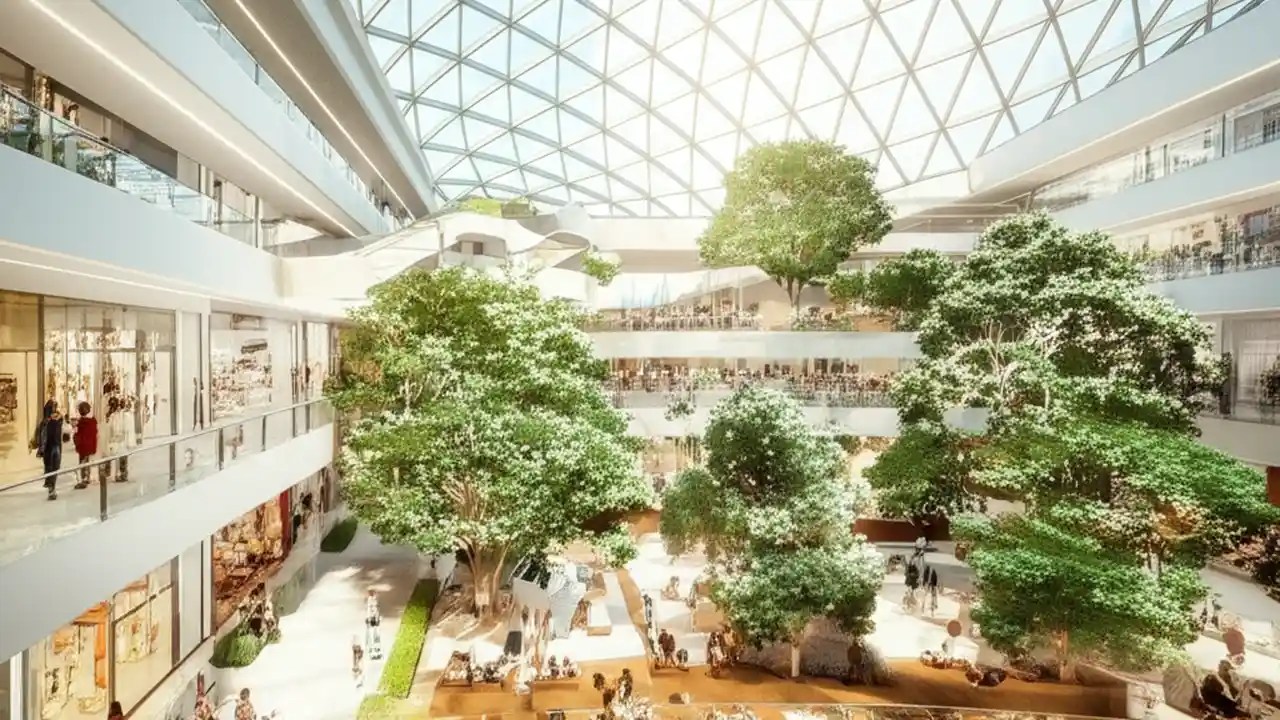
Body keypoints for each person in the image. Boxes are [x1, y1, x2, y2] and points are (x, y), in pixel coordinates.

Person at [32, 400, 65, 500]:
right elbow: (40, 437)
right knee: (50, 468)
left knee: (54, 468)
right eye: (53, 408)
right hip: (49, 448)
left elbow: (61, 418)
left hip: (56, 447)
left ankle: (52, 489)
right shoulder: (45, 423)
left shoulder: (57, 420)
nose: (54, 411)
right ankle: (51, 489)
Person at [72, 401, 98, 489]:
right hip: (90, 445)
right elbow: (95, 433)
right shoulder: (93, 422)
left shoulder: (80, 423)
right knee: (87, 461)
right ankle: (87, 477)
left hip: (83, 446)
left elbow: (76, 435)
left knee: (82, 462)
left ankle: (84, 479)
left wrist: (76, 443)